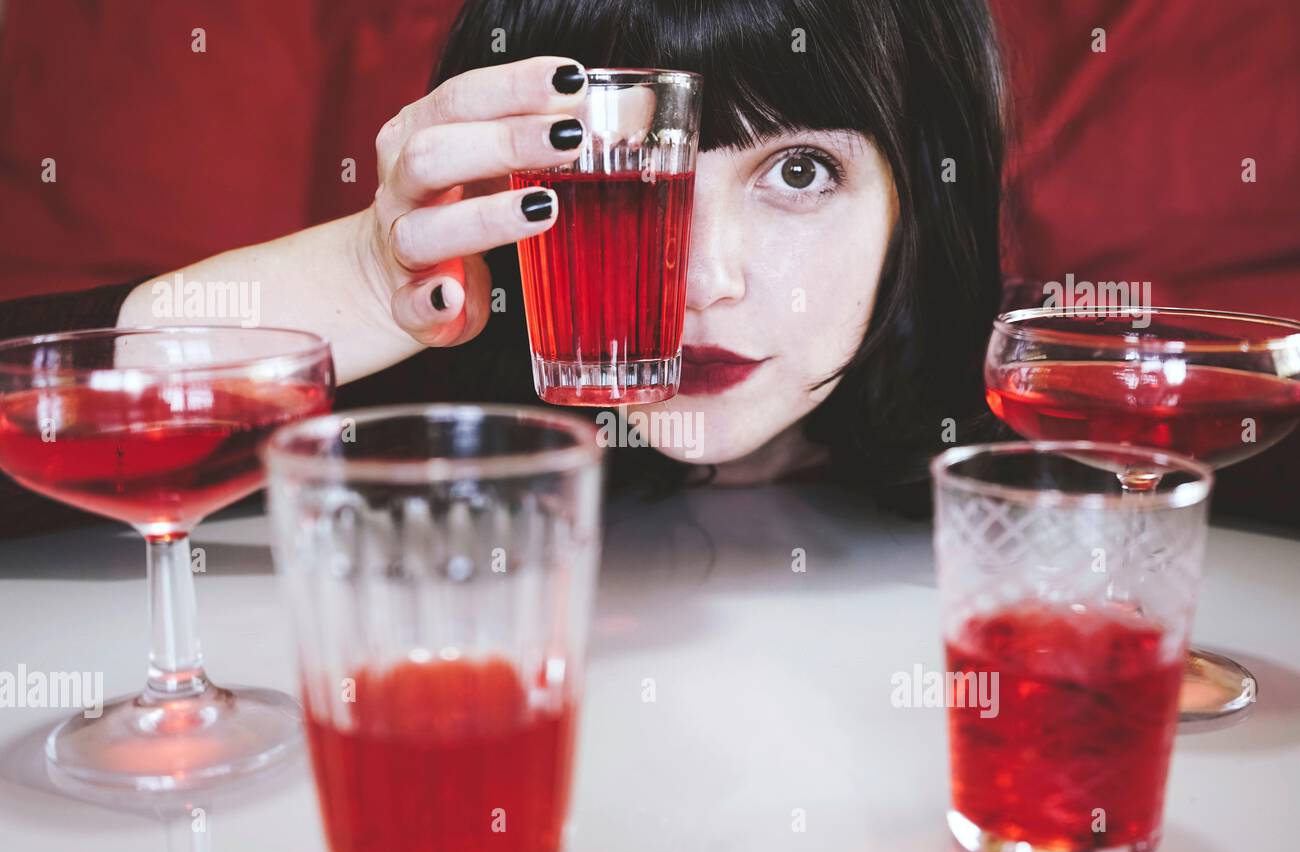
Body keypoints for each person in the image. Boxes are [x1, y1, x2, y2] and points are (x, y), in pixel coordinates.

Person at [0, 0, 1008, 535]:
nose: (700, 280)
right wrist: (361, 274)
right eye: (612, 156)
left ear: (920, 191)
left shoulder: (1043, 402)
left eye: (798, 169)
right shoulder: (422, 408)